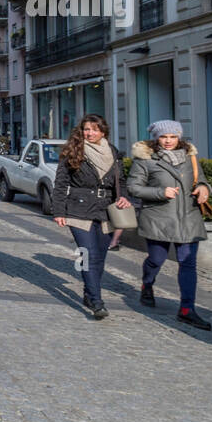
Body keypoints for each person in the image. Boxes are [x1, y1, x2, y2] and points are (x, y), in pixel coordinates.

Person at [127, 120, 212, 330]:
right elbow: (133, 187)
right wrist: (159, 192)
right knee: (156, 259)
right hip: (159, 218)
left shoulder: (190, 158)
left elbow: (201, 180)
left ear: (179, 138)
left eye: (173, 137)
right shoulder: (145, 160)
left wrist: (204, 189)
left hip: (188, 219)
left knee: (188, 263)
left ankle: (187, 310)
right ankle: (147, 283)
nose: (168, 141)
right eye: (164, 137)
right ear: (156, 138)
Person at [51, 113, 132, 320]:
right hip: (78, 209)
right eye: (87, 129)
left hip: (106, 209)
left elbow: (120, 181)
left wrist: (123, 197)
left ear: (103, 132)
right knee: (88, 255)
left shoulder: (112, 152)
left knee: (100, 258)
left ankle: (89, 292)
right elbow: (60, 183)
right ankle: (97, 301)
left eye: (94, 130)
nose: (90, 133)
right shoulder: (73, 151)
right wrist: (59, 211)